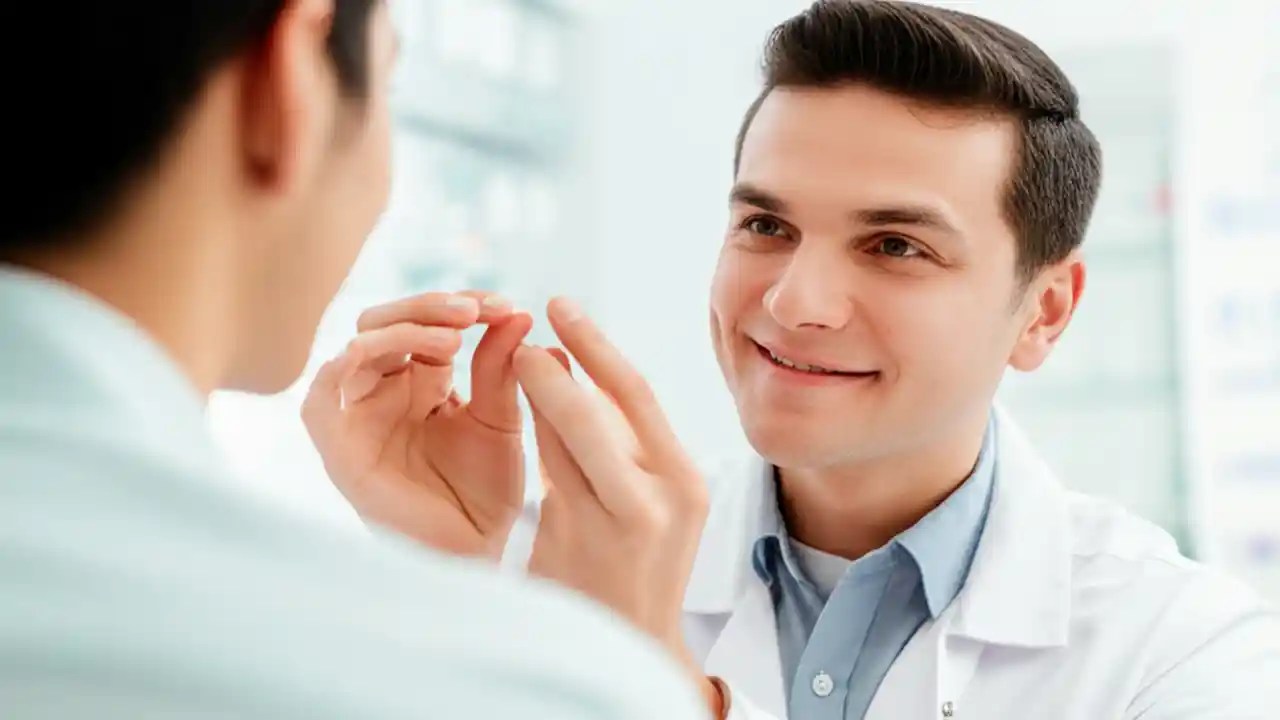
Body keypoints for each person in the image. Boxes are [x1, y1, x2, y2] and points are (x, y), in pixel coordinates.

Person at [311, 1, 1280, 719]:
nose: (790, 302)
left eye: (895, 246)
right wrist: (446, 576)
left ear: (1044, 312)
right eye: (765, 224)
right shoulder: (532, 566)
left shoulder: (1179, 658)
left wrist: (647, 680)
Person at [0, 1, 714, 718]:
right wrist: (607, 662)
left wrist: (442, 580)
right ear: (292, 82)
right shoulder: (560, 695)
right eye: (390, 90)